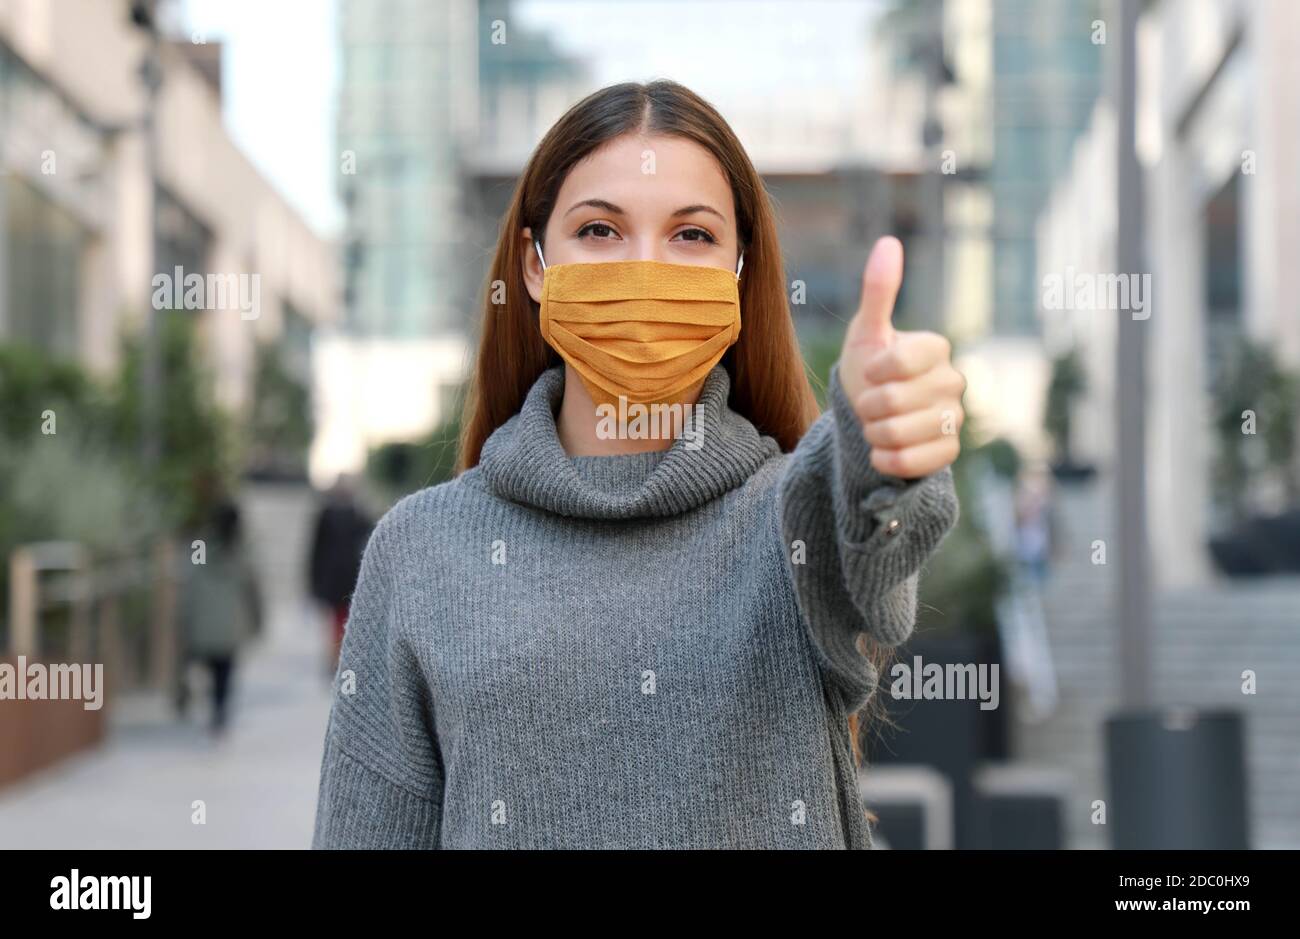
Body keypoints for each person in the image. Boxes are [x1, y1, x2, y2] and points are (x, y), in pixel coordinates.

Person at [312, 81, 965, 849]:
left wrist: (883, 447)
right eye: (599, 230)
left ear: (740, 273)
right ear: (533, 264)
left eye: (692, 237)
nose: (645, 268)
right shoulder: (421, 550)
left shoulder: (791, 521)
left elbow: (874, 548)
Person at [176, 499, 263, 736]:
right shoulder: (242, 551)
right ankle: (219, 714)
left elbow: (189, 581)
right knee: (224, 672)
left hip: (203, 622)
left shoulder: (201, 547)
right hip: (231, 624)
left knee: (202, 666)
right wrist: (257, 620)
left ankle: (195, 700)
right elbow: (253, 588)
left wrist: (185, 616)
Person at [306, 475, 374, 670]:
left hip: (351, 578)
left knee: (344, 622)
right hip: (335, 580)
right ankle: (336, 659)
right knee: (337, 621)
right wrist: (314, 581)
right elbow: (316, 550)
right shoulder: (328, 515)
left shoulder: (359, 515)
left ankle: (339, 658)